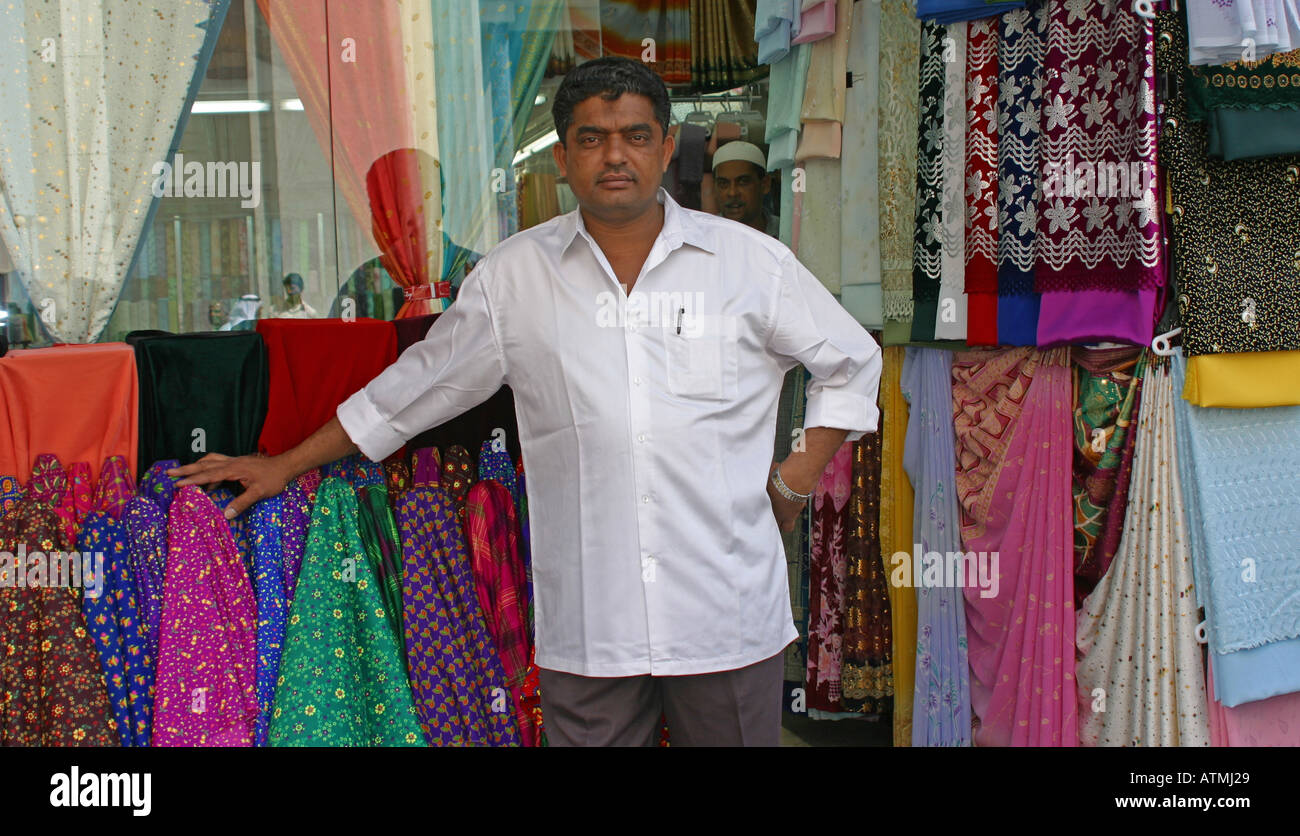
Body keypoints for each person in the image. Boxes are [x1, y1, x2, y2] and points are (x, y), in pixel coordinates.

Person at [170, 56, 881, 747]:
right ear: (562, 158)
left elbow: (852, 364)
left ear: (666, 148)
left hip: (724, 612)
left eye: (635, 136)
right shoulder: (514, 278)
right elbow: (410, 391)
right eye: (591, 138)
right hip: (590, 622)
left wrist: (792, 480)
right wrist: (286, 464)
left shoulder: (748, 264)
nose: (615, 156)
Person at [710, 140, 778, 237]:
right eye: (723, 183)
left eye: (743, 182)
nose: (732, 193)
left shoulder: (786, 233)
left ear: (765, 184)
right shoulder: (704, 236)